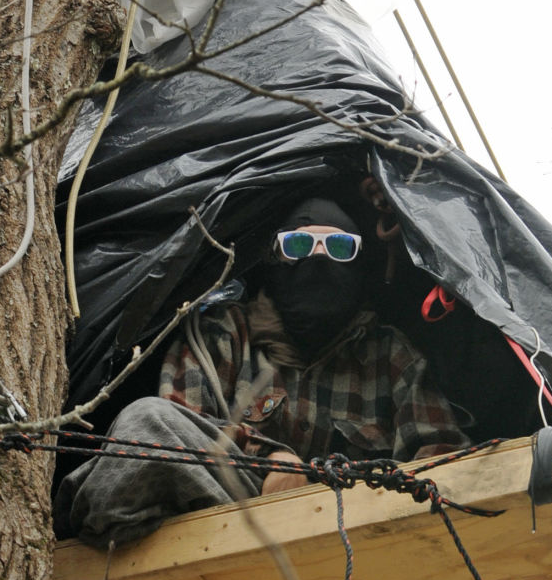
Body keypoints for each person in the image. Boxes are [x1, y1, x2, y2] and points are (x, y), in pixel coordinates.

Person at [53, 194, 469, 548]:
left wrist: (328, 491)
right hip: (225, 518)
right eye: (299, 245)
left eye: (339, 247)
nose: (319, 260)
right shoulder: (224, 332)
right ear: (273, 259)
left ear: (360, 265)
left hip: (351, 537)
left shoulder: (390, 355)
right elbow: (177, 429)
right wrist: (271, 460)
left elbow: (443, 461)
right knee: (145, 426)